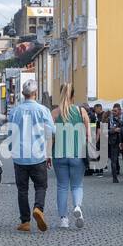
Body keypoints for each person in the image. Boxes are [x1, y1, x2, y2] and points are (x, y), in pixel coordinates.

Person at [8, 78, 54, 231]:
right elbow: (51, 132)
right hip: (38, 156)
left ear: (23, 93)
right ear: (36, 93)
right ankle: (38, 208)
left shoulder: (15, 111)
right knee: (41, 186)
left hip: (20, 157)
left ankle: (25, 221)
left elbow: (10, 133)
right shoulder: (43, 110)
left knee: (22, 189)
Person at [51, 84, 90, 229]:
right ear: (73, 95)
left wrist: (48, 154)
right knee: (77, 185)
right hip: (77, 154)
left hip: (59, 154)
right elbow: (88, 135)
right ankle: (77, 207)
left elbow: (49, 136)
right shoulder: (81, 111)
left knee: (61, 186)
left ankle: (63, 220)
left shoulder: (54, 113)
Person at [107, 103, 123, 183]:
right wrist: (114, 130)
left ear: (120, 111)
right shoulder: (109, 120)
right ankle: (115, 178)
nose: (113, 112)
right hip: (114, 142)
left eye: (115, 111)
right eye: (113, 111)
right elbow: (104, 131)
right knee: (114, 160)